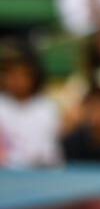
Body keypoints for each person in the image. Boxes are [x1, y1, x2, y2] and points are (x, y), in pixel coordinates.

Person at [0, 40, 61, 168]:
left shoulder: (47, 107)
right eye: (11, 74)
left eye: (23, 74)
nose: (17, 80)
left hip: (46, 172)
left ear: (33, 74)